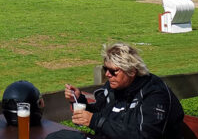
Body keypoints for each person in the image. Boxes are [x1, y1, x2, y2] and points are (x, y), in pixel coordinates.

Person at [50, 42, 184, 139]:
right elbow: (100, 114)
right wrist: (79, 100)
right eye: (105, 69)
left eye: (113, 71)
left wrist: (95, 121)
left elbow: (145, 136)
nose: (107, 75)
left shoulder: (154, 93)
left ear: (132, 71)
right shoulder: (115, 86)